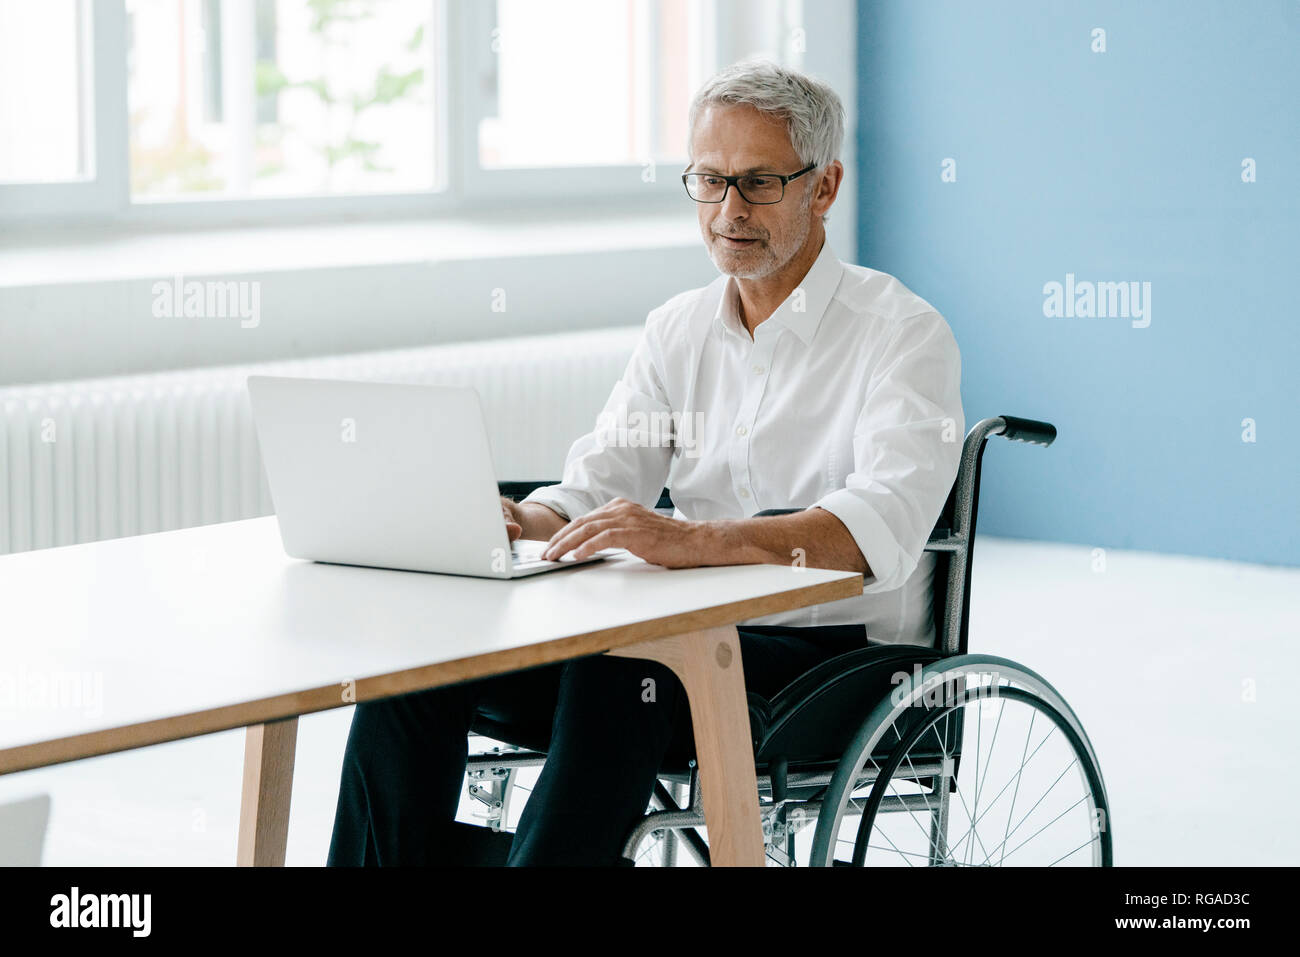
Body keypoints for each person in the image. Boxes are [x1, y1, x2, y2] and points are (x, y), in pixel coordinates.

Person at [327, 57, 964, 867]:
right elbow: (598, 485)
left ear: (825, 187)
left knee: (629, 659)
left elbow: (881, 527)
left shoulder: (902, 334)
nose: (728, 211)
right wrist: (515, 519)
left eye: (759, 182)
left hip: (831, 656)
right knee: (417, 664)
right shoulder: (680, 328)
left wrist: (689, 542)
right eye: (709, 180)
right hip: (679, 641)